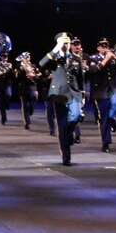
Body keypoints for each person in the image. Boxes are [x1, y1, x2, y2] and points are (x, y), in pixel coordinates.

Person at [38, 32, 84, 166]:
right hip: (59, 95)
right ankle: (66, 156)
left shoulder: (76, 58)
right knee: (62, 125)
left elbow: (81, 79)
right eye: (63, 43)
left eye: (68, 43)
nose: (66, 45)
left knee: (75, 117)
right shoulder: (54, 58)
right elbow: (41, 64)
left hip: (74, 93)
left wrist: (82, 96)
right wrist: (54, 51)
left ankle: (69, 135)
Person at [88, 38, 116, 152]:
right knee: (102, 118)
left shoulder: (112, 58)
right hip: (100, 92)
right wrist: (107, 59)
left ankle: (113, 120)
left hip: (111, 90)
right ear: (98, 48)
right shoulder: (93, 58)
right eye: (102, 46)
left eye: (107, 46)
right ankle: (106, 142)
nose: (105, 48)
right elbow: (94, 70)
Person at [15, 52, 38, 130]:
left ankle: (31, 108)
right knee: (25, 105)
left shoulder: (33, 66)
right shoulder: (19, 66)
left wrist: (33, 74)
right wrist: (22, 69)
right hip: (23, 87)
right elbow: (17, 77)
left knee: (33, 100)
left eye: (28, 56)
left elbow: (38, 75)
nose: (27, 58)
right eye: (26, 57)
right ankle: (27, 122)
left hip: (32, 86)